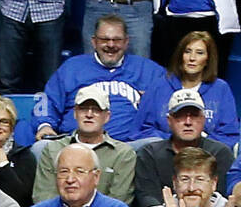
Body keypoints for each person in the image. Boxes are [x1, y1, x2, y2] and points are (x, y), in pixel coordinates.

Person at [34, 14, 164, 147]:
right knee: (40, 148)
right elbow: (47, 100)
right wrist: (45, 125)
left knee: (157, 144)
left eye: (117, 40)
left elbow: (167, 107)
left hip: (130, 146)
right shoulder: (72, 67)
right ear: (94, 41)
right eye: (105, 39)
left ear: (126, 42)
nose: (111, 45)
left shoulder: (149, 71)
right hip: (75, 146)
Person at [134, 88, 235, 207]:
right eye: (180, 116)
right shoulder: (149, 154)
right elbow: (147, 198)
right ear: (169, 120)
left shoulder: (220, 153)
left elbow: (222, 198)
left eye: (194, 116)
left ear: (203, 120)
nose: (188, 122)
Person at [32, 85, 136, 206]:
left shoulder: (123, 154)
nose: (89, 114)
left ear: (107, 116)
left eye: (96, 110)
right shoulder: (52, 149)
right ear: (75, 113)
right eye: (83, 109)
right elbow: (43, 197)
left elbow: (118, 202)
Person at [139, 31, 240, 146]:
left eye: (200, 53)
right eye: (187, 52)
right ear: (180, 56)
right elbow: (141, 130)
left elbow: (229, 134)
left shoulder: (221, 88)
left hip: (206, 155)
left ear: (208, 59)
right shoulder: (158, 86)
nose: (192, 58)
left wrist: (201, 144)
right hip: (164, 152)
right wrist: (174, 141)